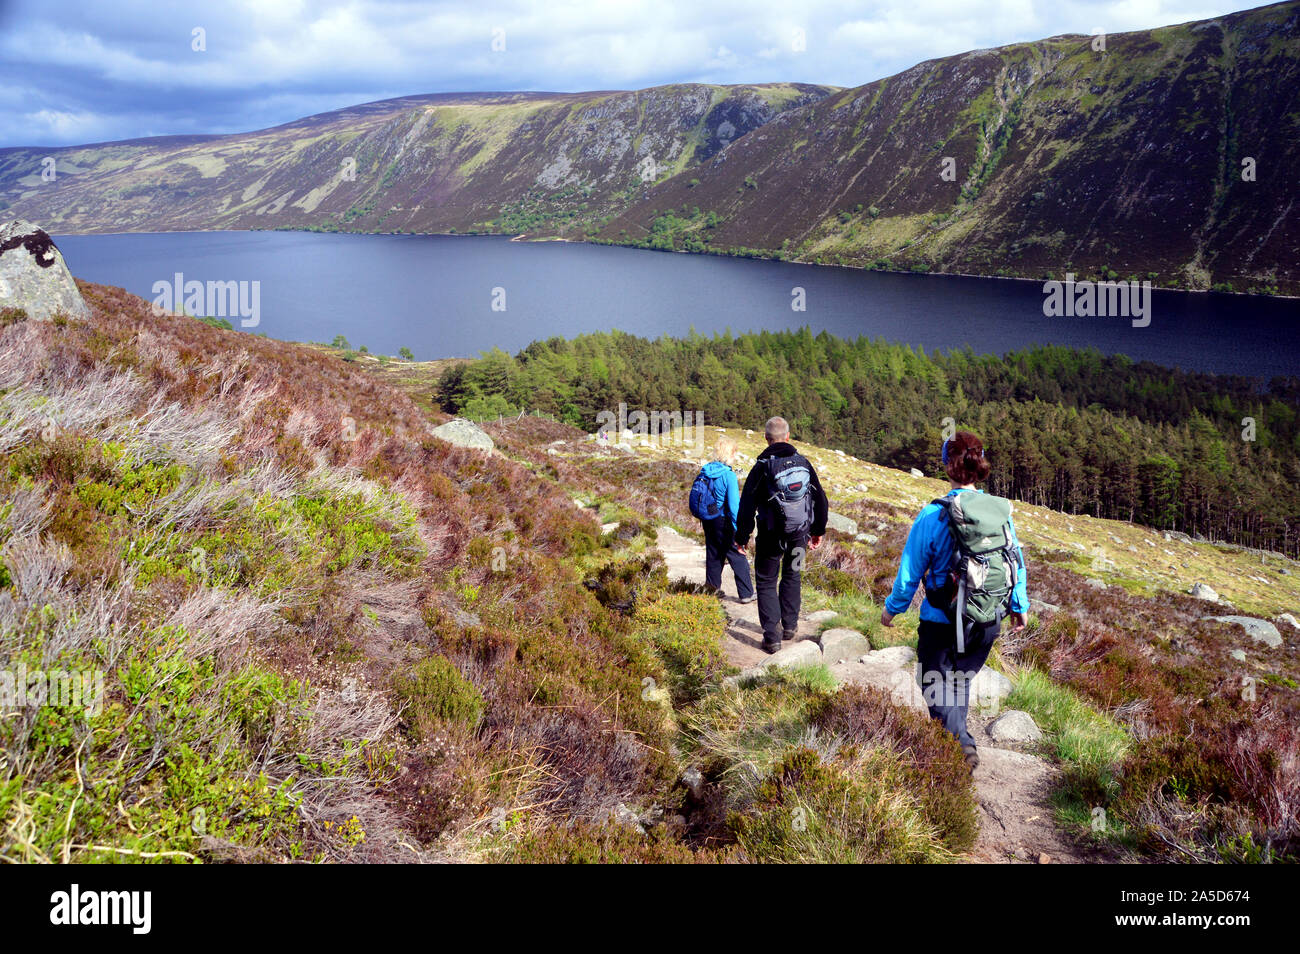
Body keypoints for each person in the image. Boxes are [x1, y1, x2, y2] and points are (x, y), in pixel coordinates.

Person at [880, 431, 1028, 771]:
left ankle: (960, 747)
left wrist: (893, 609)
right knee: (959, 681)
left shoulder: (933, 514)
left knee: (934, 683)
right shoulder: (999, 513)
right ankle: (956, 751)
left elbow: (910, 572)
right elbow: (1015, 560)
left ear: (948, 466)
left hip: (941, 620)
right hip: (986, 619)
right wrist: (1019, 606)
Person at [734, 417, 828, 653]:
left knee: (766, 581)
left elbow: (746, 506)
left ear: (766, 438)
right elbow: (821, 500)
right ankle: (790, 626)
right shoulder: (803, 463)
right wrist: (817, 531)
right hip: (799, 535)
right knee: (793, 574)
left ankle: (772, 637)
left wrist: (741, 537)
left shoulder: (762, 467)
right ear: (788, 436)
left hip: (770, 536)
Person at [698, 437, 755, 603]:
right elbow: (734, 505)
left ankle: (711, 591)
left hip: (708, 520)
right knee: (737, 553)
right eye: (734, 452)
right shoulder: (728, 475)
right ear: (730, 453)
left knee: (714, 554)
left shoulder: (706, 470)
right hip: (724, 521)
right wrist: (740, 528)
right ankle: (746, 593)